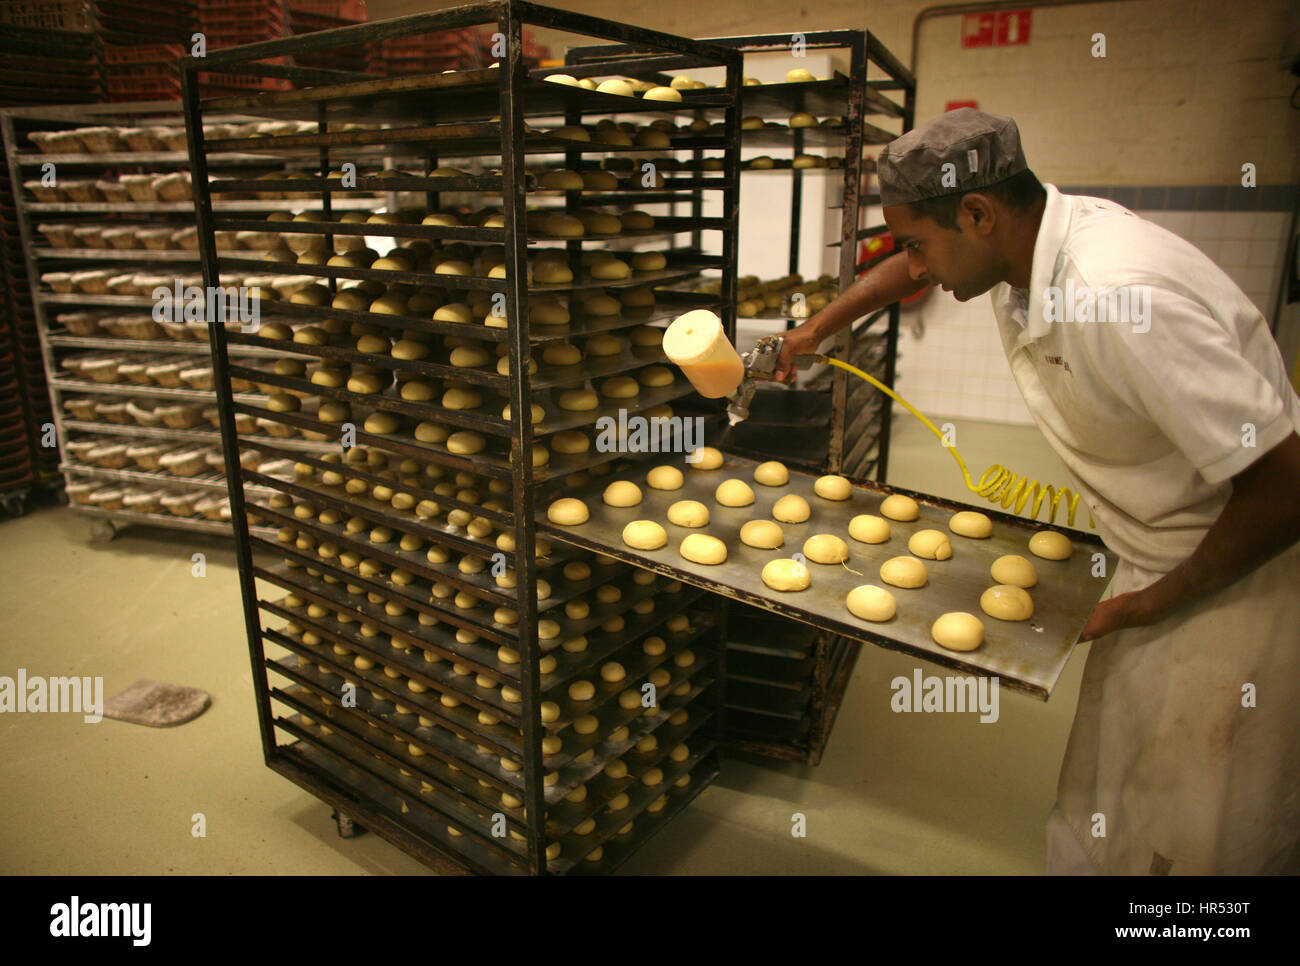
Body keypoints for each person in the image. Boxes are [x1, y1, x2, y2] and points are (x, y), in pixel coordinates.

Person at [774, 108, 1300, 875]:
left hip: (1231, 584)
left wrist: (1144, 604)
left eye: (920, 243)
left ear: (978, 213)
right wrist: (817, 329)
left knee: (1194, 831)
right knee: (1112, 795)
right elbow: (905, 267)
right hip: (1149, 555)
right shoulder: (1018, 245)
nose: (916, 269)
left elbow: (1285, 488)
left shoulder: (1118, 297)